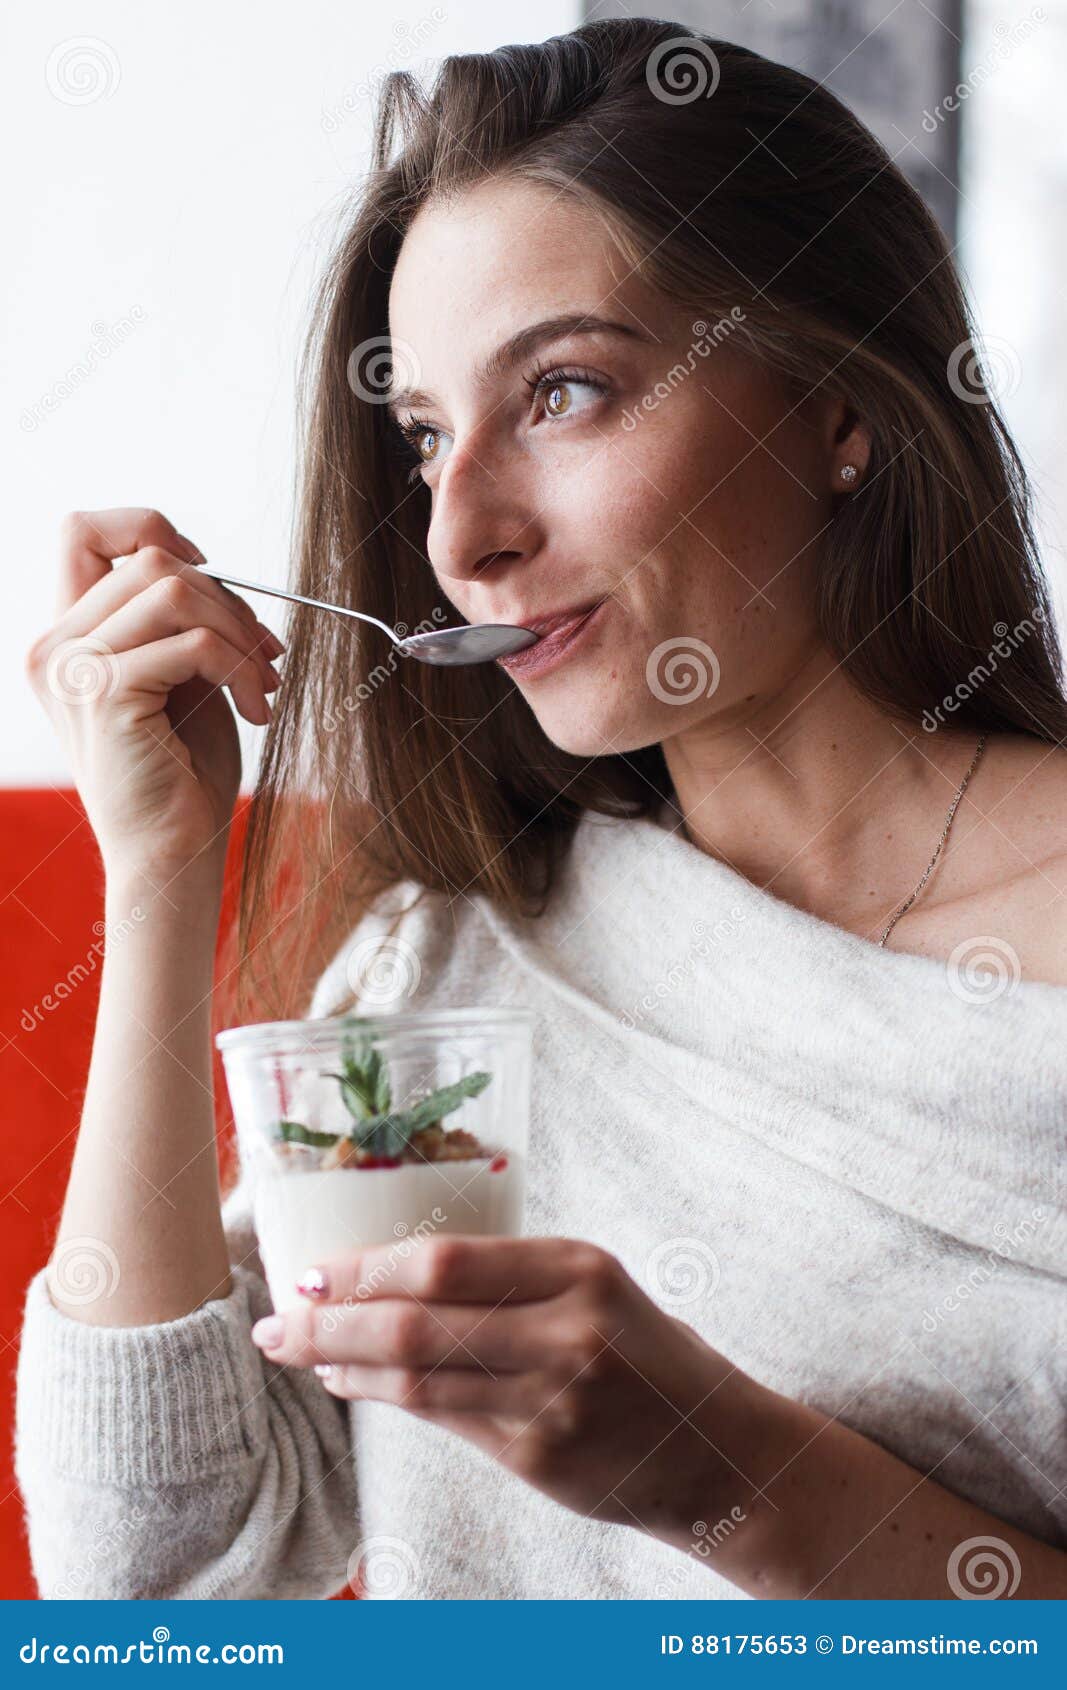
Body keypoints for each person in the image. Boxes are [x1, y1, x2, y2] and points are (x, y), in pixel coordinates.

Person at [15, 18, 1067, 1601]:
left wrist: (728, 1475)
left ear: (840, 411)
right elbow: (150, 1582)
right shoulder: (454, 964)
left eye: (564, 392)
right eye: (427, 436)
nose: (462, 535)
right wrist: (158, 871)